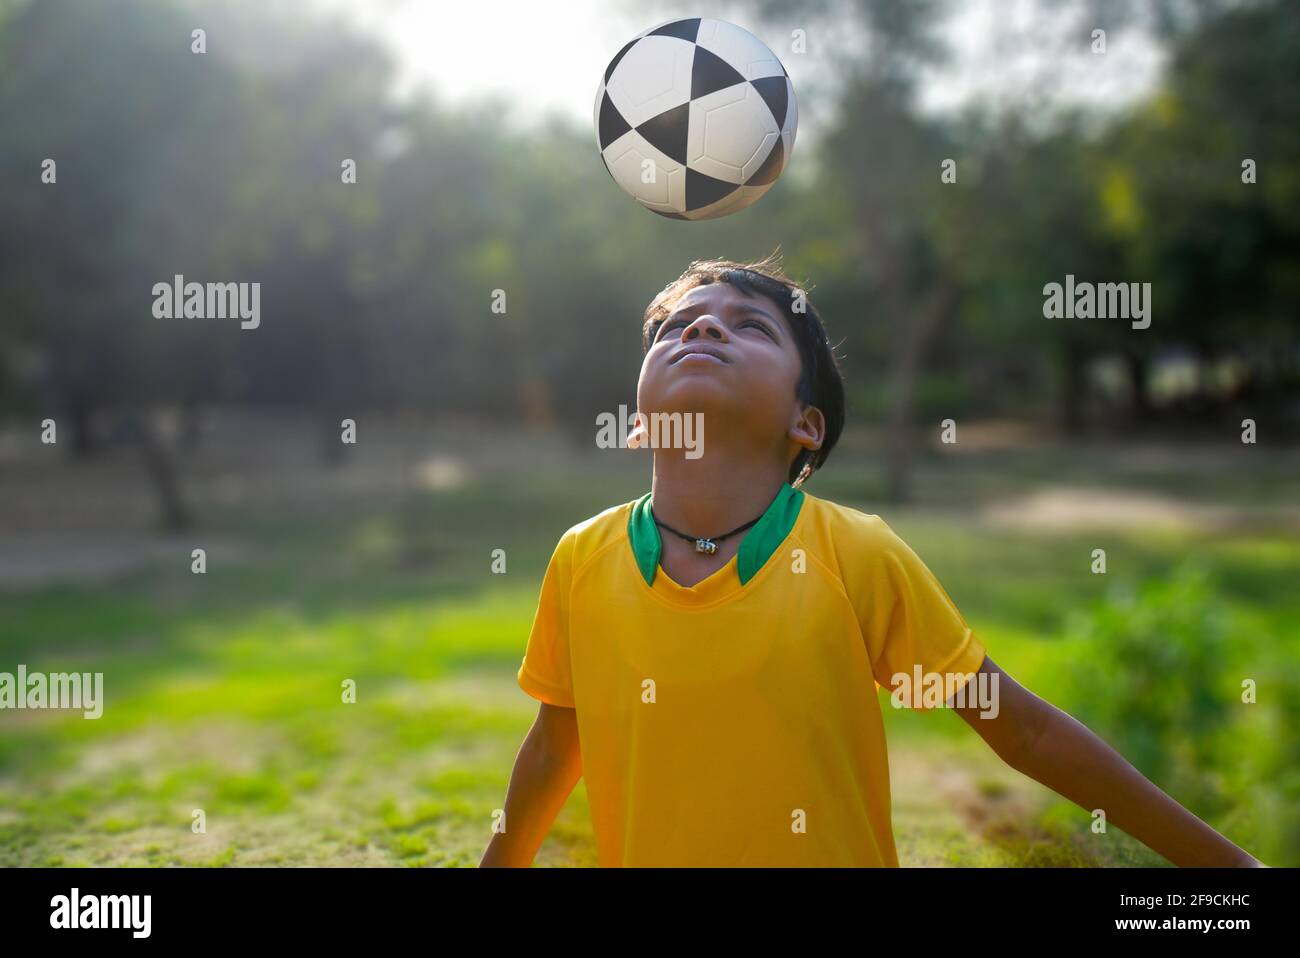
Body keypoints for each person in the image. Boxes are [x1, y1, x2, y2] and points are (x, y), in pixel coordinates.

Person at [479, 253, 1264, 868]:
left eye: (750, 326)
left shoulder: (855, 555)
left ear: (806, 426)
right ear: (640, 421)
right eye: (678, 326)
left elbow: (1024, 733)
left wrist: (1227, 866)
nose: (702, 330)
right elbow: (556, 747)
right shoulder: (582, 558)